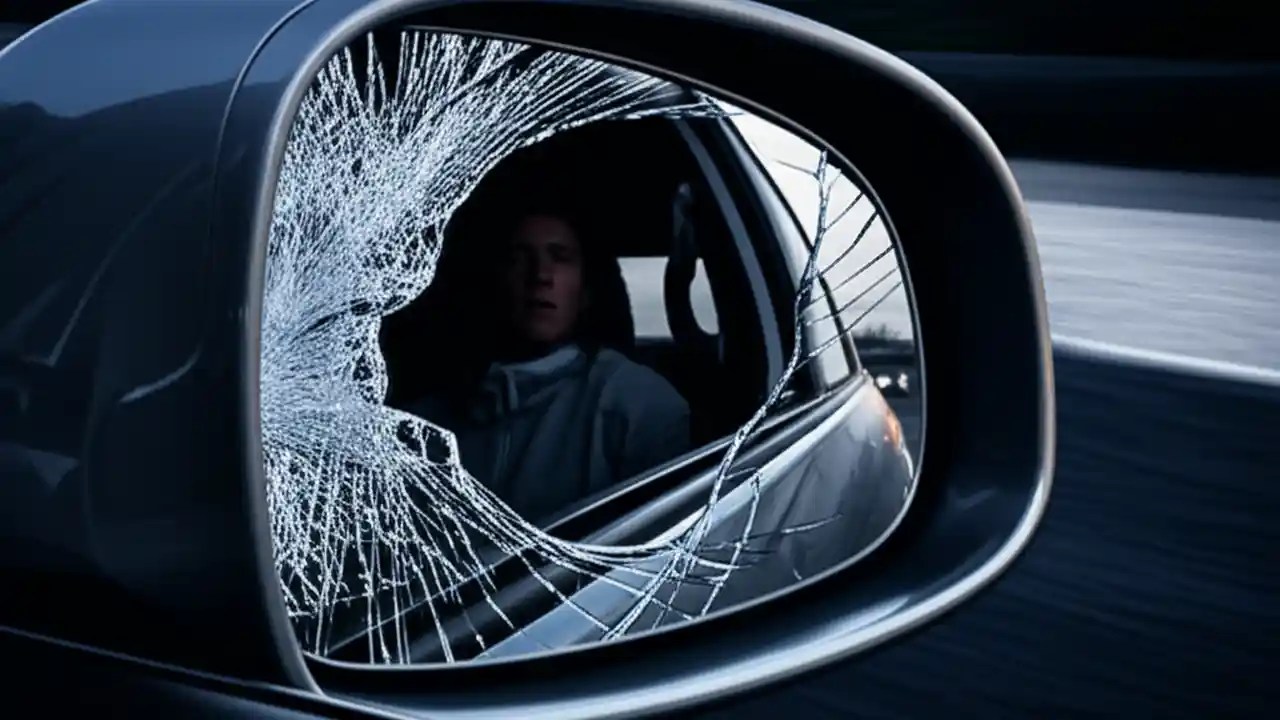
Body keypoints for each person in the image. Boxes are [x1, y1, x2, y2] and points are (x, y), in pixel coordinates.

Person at [406, 202, 692, 523]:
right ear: (493, 281)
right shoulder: (425, 423)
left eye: (560, 257)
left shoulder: (634, 403)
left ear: (585, 291)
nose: (540, 275)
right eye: (519, 257)